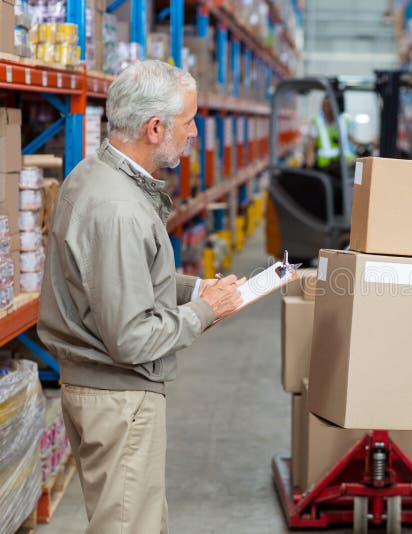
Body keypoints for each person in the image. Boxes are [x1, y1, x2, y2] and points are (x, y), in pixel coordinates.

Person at [37, 60, 245, 534]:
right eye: (188, 121)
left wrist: (196, 289)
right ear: (155, 128)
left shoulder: (94, 174)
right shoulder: (120, 210)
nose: (194, 132)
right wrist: (205, 311)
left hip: (99, 392)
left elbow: (119, 279)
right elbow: (131, 338)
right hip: (119, 401)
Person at [304, 95, 356, 173]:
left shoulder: (344, 120)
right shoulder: (317, 121)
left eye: (327, 105)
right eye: (323, 105)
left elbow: (352, 139)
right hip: (325, 165)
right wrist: (309, 159)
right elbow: (311, 143)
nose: (324, 108)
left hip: (344, 161)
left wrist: (365, 143)